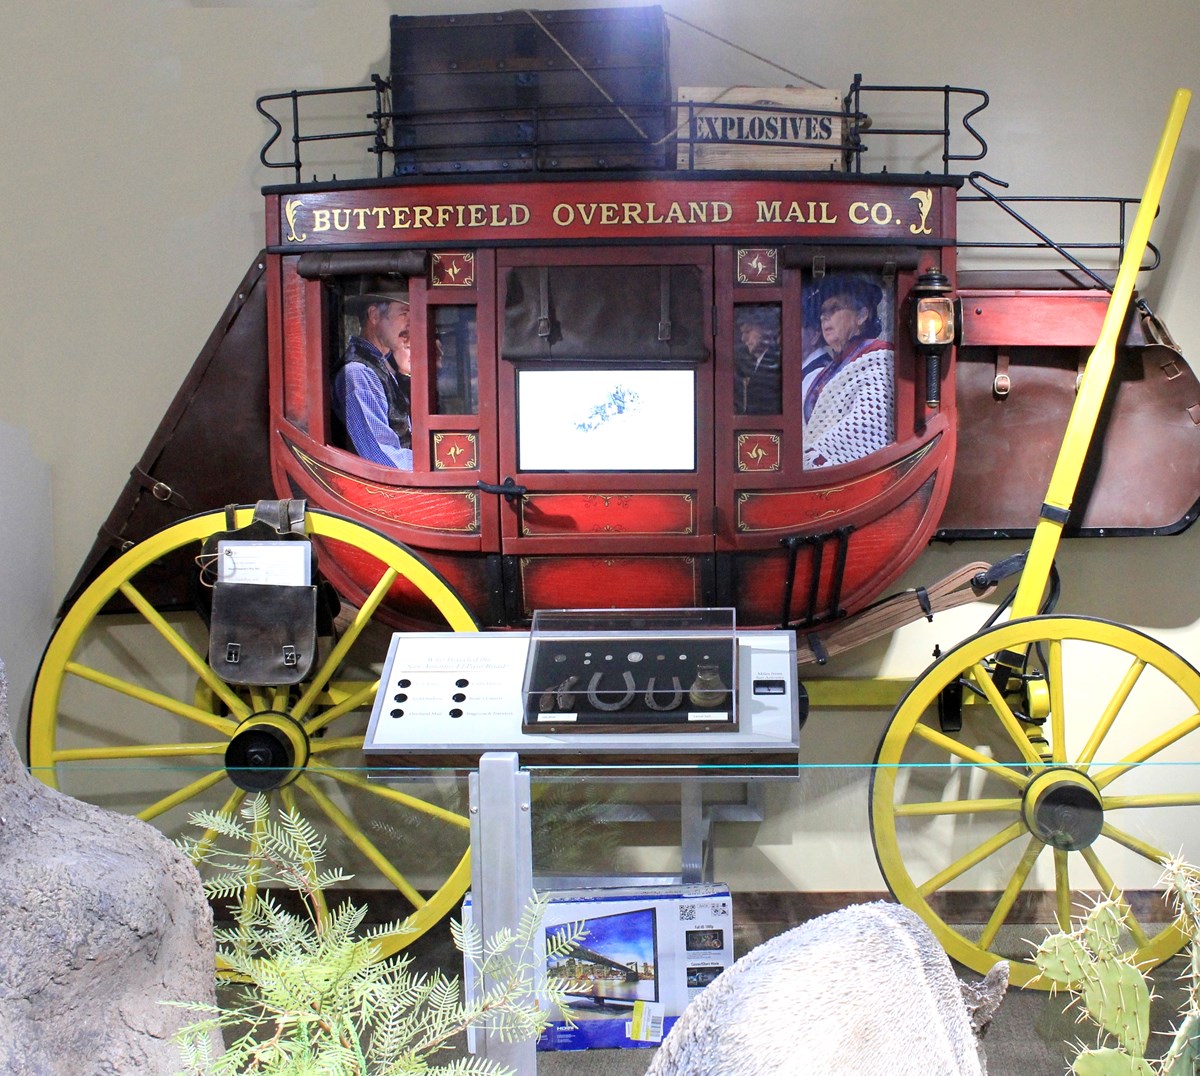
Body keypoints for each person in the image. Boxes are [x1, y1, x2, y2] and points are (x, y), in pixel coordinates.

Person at [801, 275, 894, 468]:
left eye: (834, 308)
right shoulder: (830, 368)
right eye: (822, 312)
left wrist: (814, 456)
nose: (824, 317)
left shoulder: (880, 357)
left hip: (856, 474)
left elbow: (868, 424)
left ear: (861, 315)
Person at [330, 291, 414, 470]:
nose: (411, 323)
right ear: (374, 315)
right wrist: (432, 465)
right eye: (404, 314)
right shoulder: (358, 373)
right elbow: (380, 457)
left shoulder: (381, 365)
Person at [734, 306, 782, 414]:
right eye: (742, 333)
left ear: (767, 329)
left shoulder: (775, 363)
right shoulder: (759, 363)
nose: (743, 338)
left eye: (748, 331)